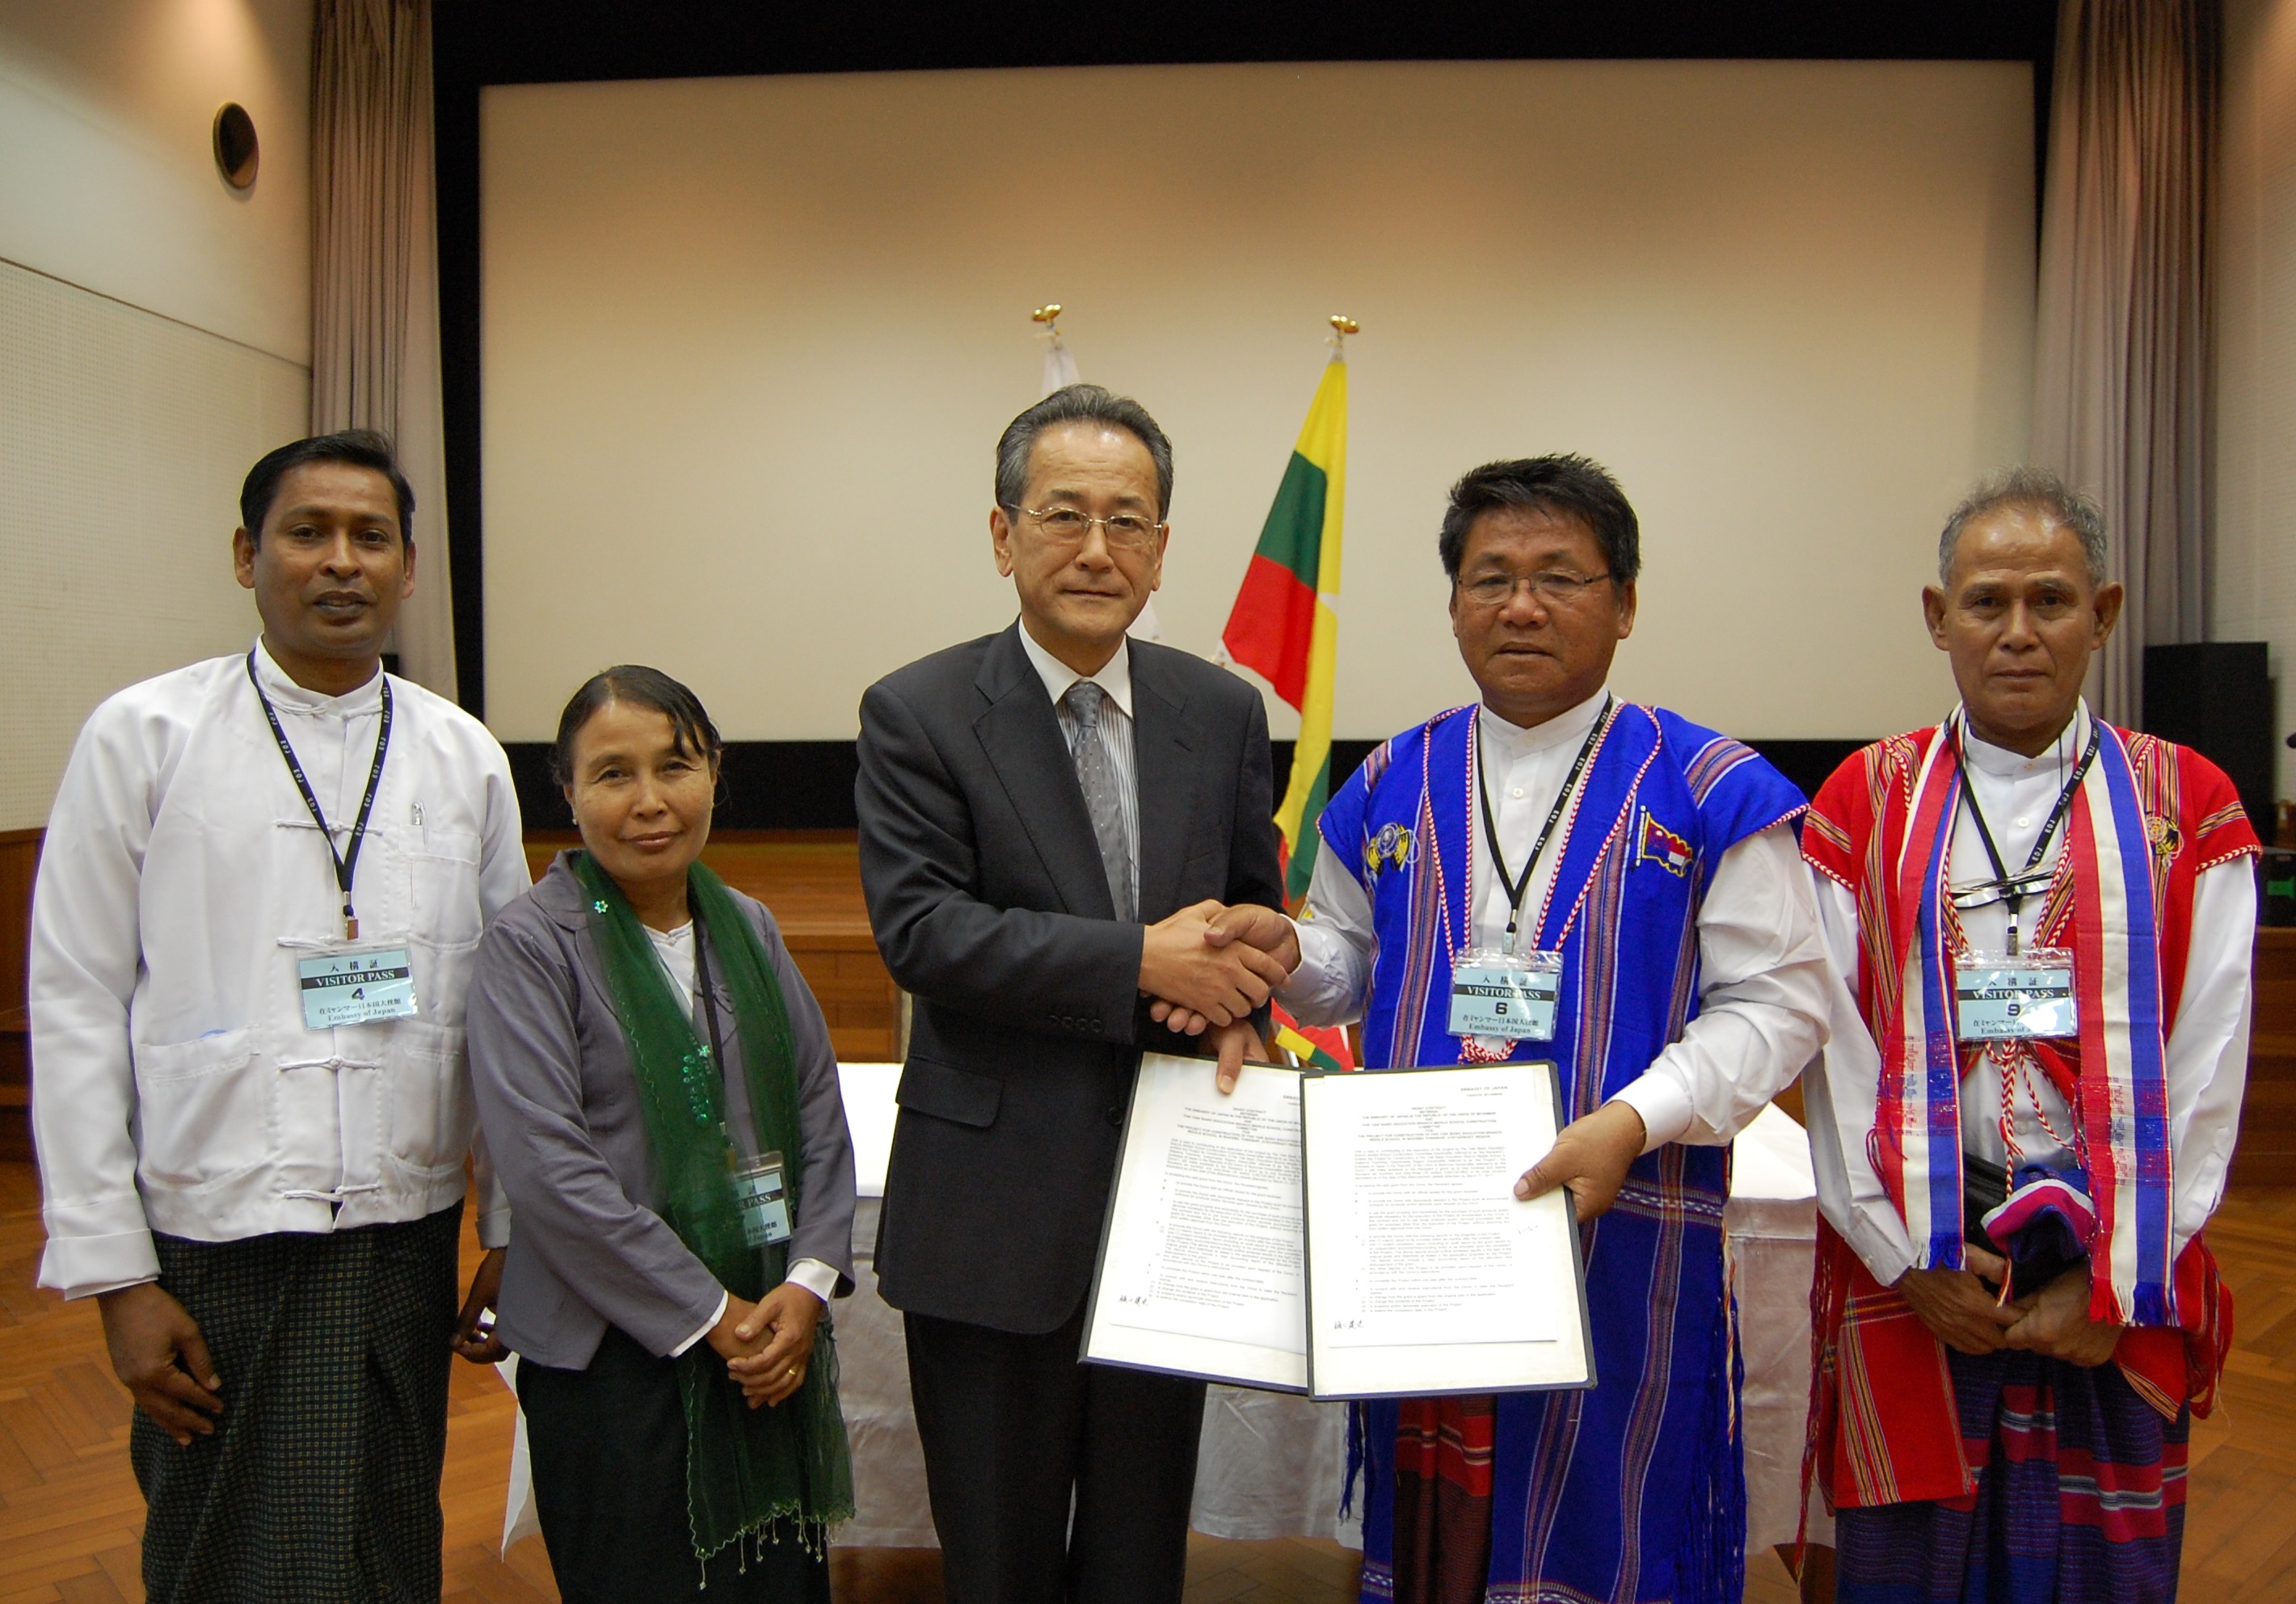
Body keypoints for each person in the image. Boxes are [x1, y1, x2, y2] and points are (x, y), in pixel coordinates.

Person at [1254, 454, 1830, 1604]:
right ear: (1454, 602)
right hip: (1423, 1229)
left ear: (1623, 602)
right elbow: (1343, 965)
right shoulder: (1385, 781)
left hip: (1624, 1224)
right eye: (1490, 577)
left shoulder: (1713, 787)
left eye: (1558, 576)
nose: (1519, 605)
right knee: (1437, 1533)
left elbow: (1781, 1006)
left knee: (1606, 1527)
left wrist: (1631, 1118)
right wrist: (1273, 952)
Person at [28, 430, 527, 1602]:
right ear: (249, 555)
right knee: (226, 1542)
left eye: (371, 537)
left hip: (406, 1228)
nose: (340, 562)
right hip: (214, 1230)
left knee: (389, 1522)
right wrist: (115, 1277)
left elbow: (511, 1016)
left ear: (409, 570)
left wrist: (512, 1223)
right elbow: (74, 1001)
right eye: (309, 533)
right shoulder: (143, 737)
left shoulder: (464, 757)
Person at [854, 383, 1290, 1604]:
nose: (1097, 548)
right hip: (993, 1219)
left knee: (1138, 1559)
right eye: (1064, 516)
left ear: (1161, 549)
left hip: (1173, 1208)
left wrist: (1251, 984)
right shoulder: (920, 711)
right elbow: (926, 933)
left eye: (1129, 520)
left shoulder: (1219, 710)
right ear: (1003, 536)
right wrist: (1140, 960)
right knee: (998, 1562)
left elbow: (1247, 916)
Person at [1799, 469, 2257, 1604]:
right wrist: (1907, 1262)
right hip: (1914, 1258)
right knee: (1903, 1565)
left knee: (2101, 1569)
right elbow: (1830, 1053)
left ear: (2100, 615)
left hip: (2116, 1260)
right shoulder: (1864, 801)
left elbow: (2208, 1066)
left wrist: (2115, 1284)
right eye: (1985, 601)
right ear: (1934, 616)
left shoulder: (2185, 808)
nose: (2015, 633)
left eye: (2049, 601)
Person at [466, 666, 857, 1602]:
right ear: (567, 791)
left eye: (674, 765)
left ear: (714, 772)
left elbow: (817, 1110)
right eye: (611, 774)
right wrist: (718, 1317)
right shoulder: (530, 946)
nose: (649, 801)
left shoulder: (748, 926)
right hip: (613, 1361)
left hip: (766, 1338)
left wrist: (801, 1290)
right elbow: (550, 1171)